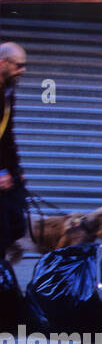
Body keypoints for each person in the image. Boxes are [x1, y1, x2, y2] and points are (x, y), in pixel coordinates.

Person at [0, 42, 28, 248]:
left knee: (16, 225)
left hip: (6, 172)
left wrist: (16, 169)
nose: (23, 70)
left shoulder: (8, 92)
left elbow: (6, 136)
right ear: (3, 63)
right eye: (18, 65)